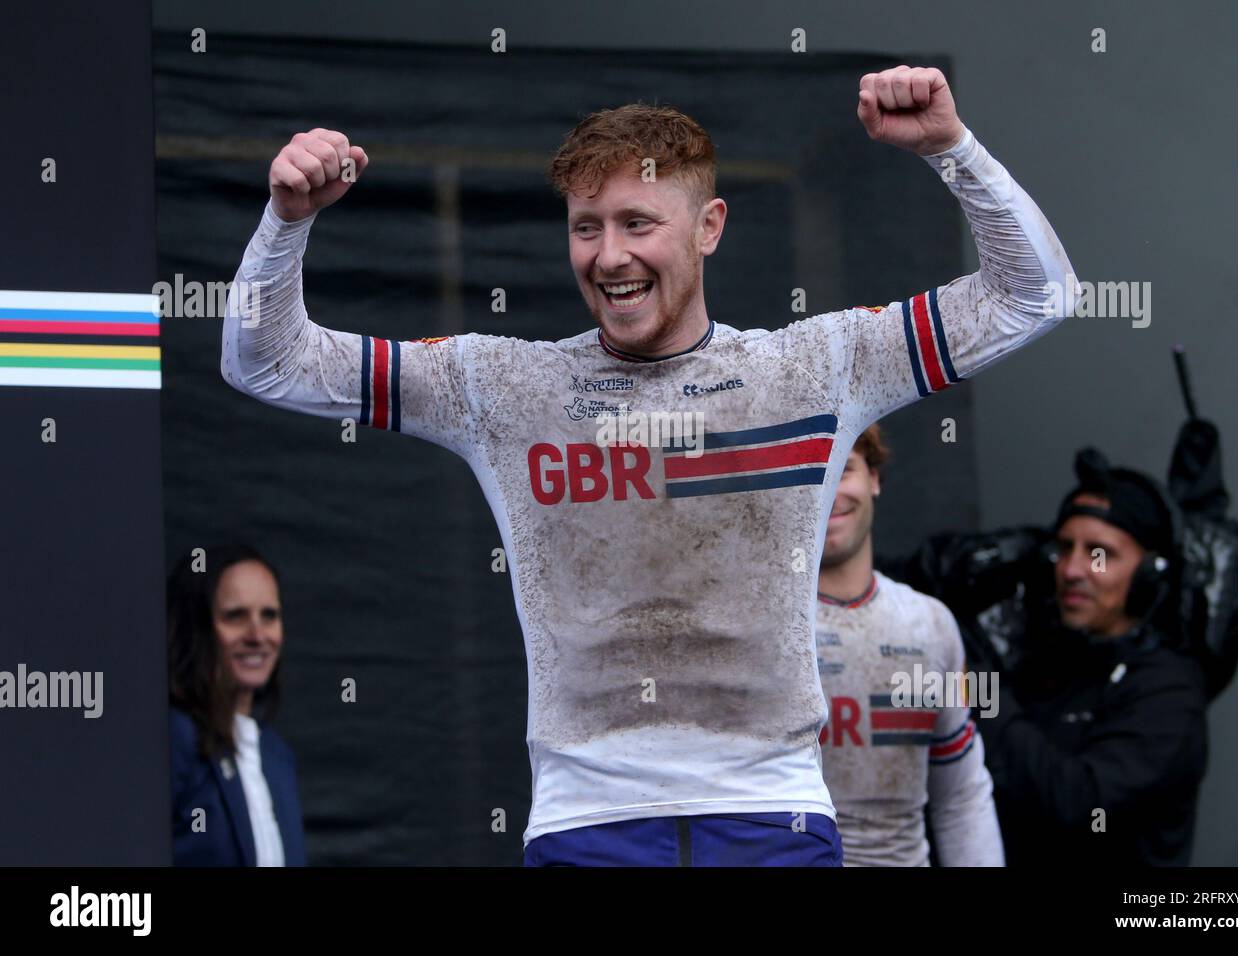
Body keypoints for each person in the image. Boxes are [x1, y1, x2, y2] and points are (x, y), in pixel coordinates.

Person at [220, 65, 1076, 865]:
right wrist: (286, 222)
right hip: (586, 825)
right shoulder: (504, 385)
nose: (609, 256)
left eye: (638, 223)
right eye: (586, 227)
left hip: (772, 820)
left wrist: (951, 150)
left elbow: (1034, 294)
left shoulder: (814, 367)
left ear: (709, 228)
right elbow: (268, 362)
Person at [962, 450, 1209, 866]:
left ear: (1150, 574)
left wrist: (978, 689)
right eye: (1064, 548)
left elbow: (1079, 802)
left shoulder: (1169, 693)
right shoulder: (1048, 659)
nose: (1073, 569)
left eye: (1100, 553)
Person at [817, 425, 1003, 866]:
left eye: (843, 470)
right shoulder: (763, 626)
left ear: (874, 478)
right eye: (812, 479)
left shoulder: (930, 625)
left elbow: (961, 795)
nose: (828, 493)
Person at [168, 544, 306, 866]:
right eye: (235, 616)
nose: (257, 635)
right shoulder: (174, 738)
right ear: (198, 627)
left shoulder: (276, 757)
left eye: (269, 615)